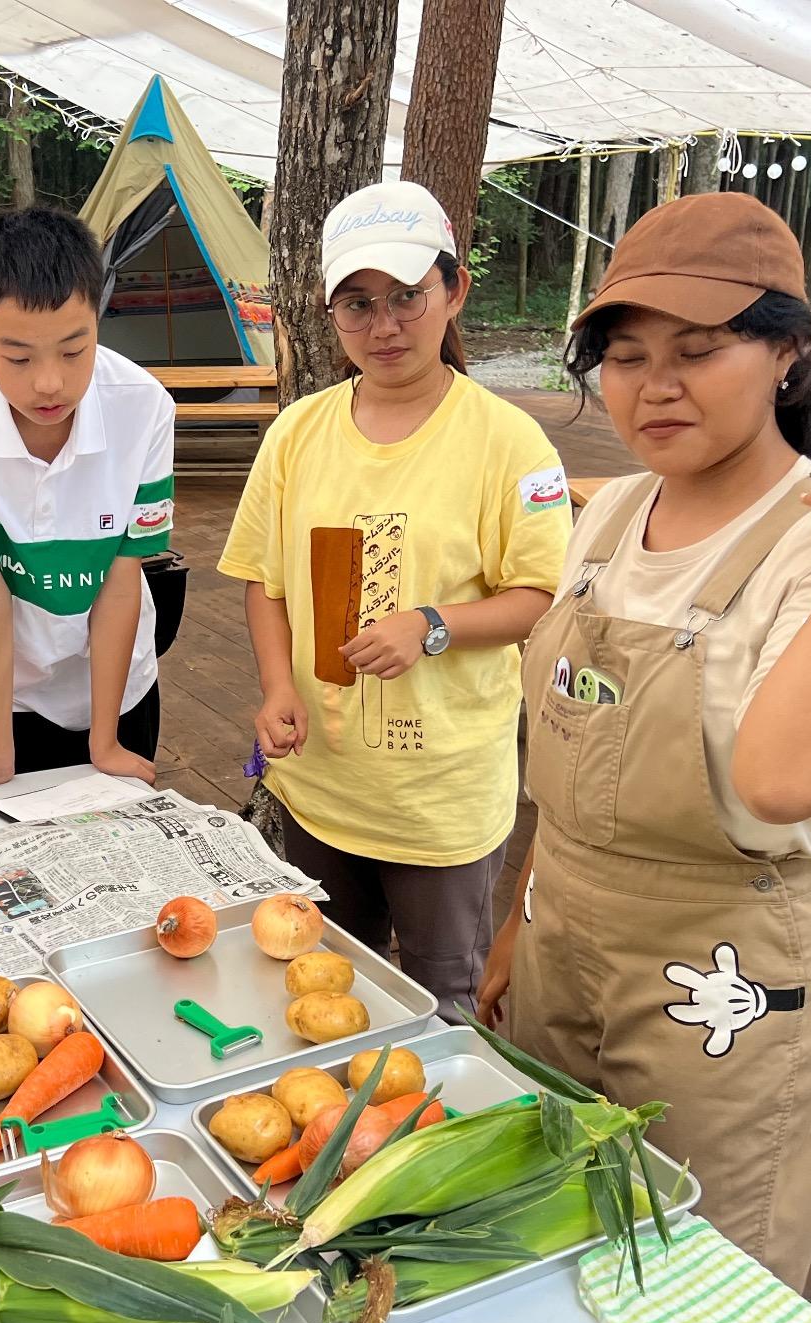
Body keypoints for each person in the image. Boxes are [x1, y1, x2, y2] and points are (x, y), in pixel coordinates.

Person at [474, 192, 811, 1289]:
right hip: (560, 947)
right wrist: (519, 922)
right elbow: (577, 758)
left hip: (717, 984)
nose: (653, 386)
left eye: (698, 349)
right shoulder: (611, 512)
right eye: (623, 356)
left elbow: (781, 783)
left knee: (696, 1290)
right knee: (542, 1257)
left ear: (787, 351)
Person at [218, 181, 570, 1017]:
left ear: (454, 292)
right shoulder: (297, 434)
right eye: (358, 303)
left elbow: (544, 595)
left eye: (409, 296)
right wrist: (276, 688)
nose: (385, 327)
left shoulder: (506, 440)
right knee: (320, 982)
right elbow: (264, 582)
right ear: (328, 311)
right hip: (321, 787)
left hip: (440, 802)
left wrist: (434, 625)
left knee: (443, 995)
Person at [0, 206, 176, 789]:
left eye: (75, 351)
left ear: (98, 320)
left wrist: (104, 744)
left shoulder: (144, 405)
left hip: (119, 684)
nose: (49, 382)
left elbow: (120, 582)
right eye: (19, 358)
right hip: (7, 687)